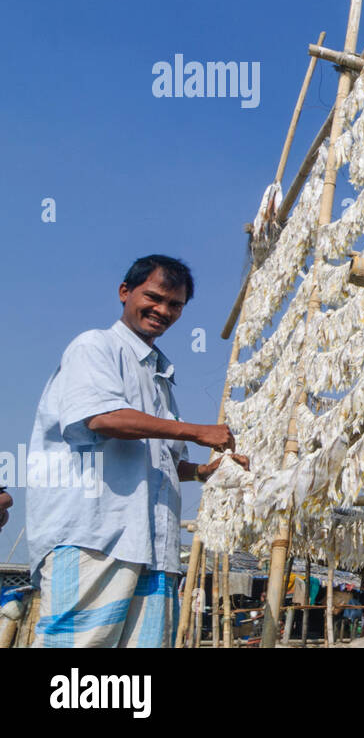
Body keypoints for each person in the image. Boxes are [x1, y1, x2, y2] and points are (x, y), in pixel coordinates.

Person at [27, 256, 249, 648]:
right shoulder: (96, 346)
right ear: (124, 292)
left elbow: (159, 459)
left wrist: (202, 472)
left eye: (175, 305)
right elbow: (101, 418)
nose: (163, 310)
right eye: (154, 297)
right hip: (95, 537)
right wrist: (195, 430)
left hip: (153, 549)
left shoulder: (160, 376)